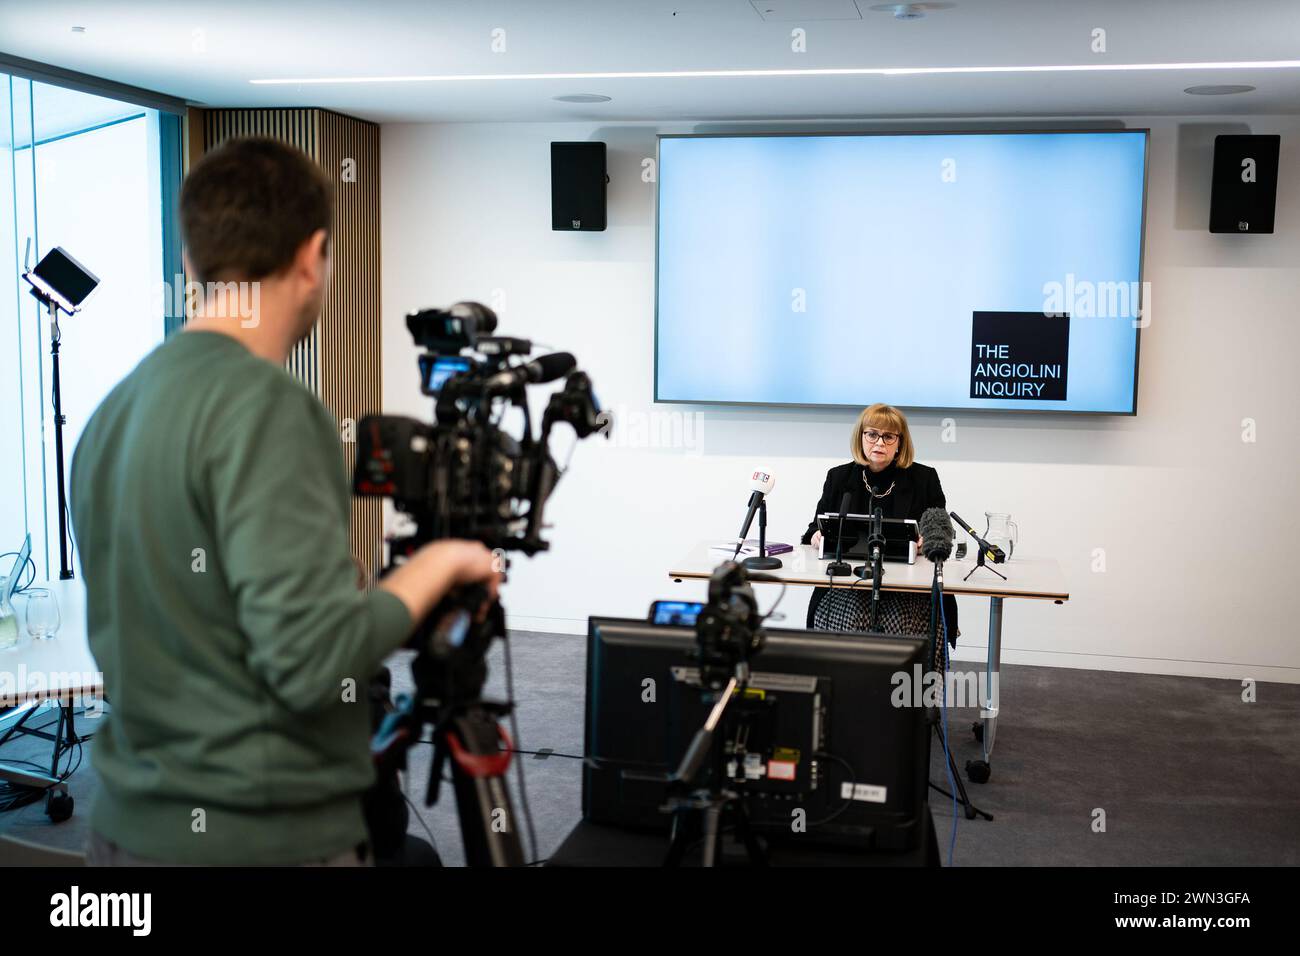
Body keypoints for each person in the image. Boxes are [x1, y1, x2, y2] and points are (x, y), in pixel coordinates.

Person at [70, 136, 500, 866]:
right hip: (257, 840)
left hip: (125, 832)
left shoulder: (113, 410)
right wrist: (440, 565)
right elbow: (310, 660)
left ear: (192, 262)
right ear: (314, 253)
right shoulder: (269, 407)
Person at [802, 403, 958, 649]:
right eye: (872, 434)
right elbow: (813, 529)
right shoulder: (839, 477)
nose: (879, 443)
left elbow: (940, 533)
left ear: (900, 442)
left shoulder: (924, 478)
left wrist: (927, 541)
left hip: (909, 591)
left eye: (888, 436)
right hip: (849, 586)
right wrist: (816, 536)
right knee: (844, 623)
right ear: (861, 437)